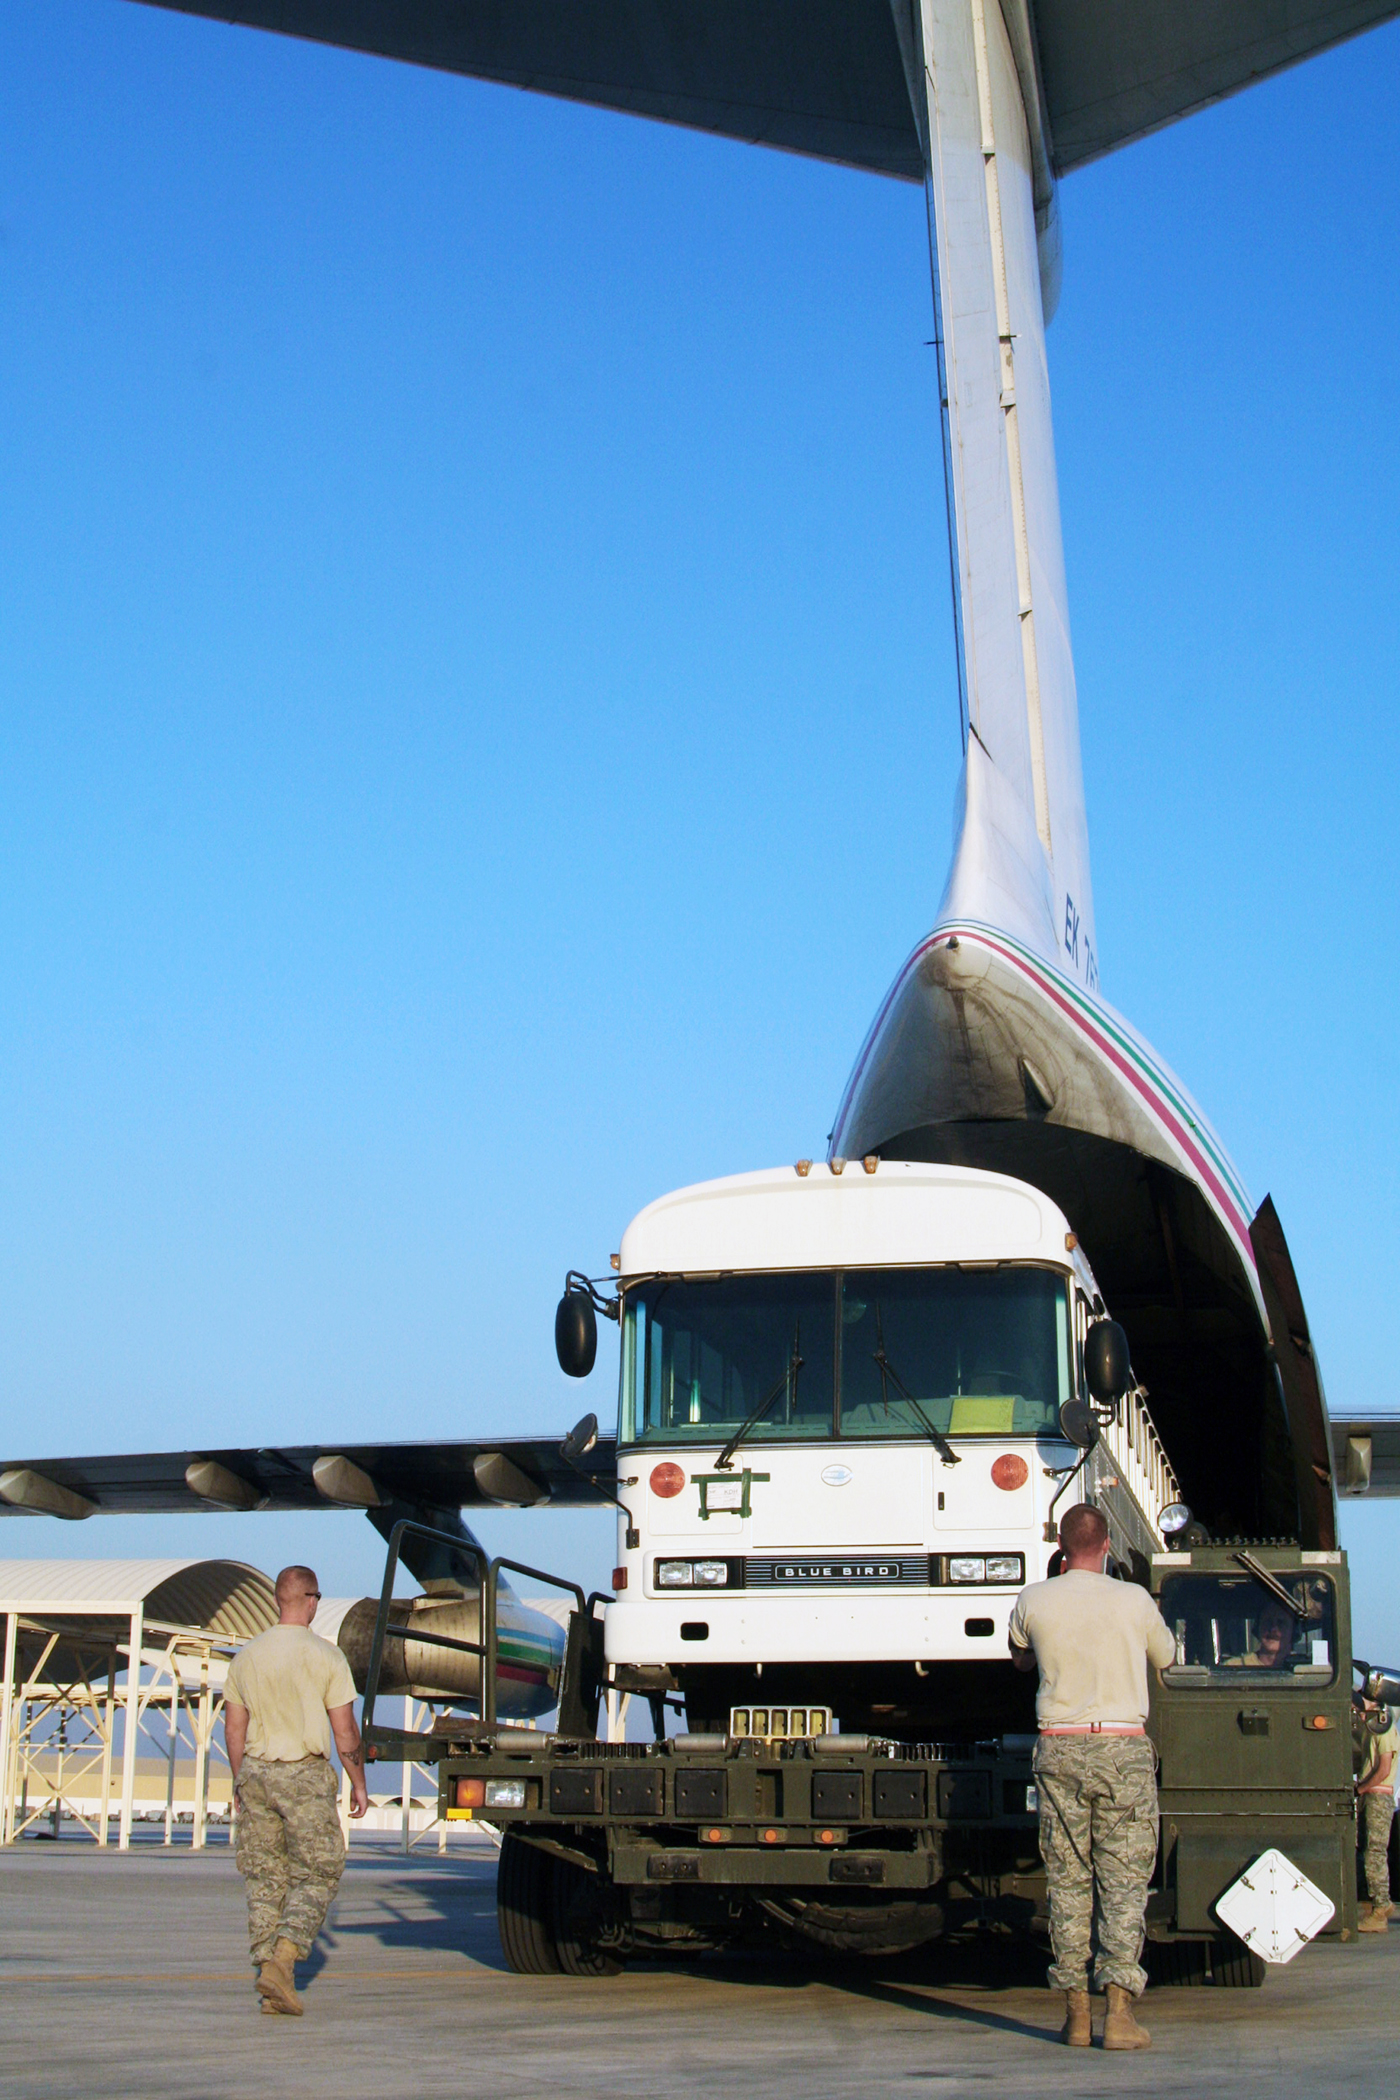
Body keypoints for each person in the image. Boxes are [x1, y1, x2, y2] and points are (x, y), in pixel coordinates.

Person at [1009, 1503, 1175, 2052]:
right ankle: (1119, 2016)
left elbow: (1019, 1659)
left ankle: (1076, 2014)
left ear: (1062, 1544)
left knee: (1068, 1881)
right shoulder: (1134, 1600)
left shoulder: (1034, 1597)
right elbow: (1167, 1657)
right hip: (1123, 1748)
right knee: (1124, 1885)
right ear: (1105, 1545)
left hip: (1059, 1748)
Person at [223, 1564, 369, 2015]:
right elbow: (344, 1732)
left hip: (257, 1773)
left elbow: (233, 1728)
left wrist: (240, 1780)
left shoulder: (246, 1657)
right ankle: (284, 1959)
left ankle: (271, 1980)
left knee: (266, 1881)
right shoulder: (326, 1657)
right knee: (320, 1871)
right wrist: (358, 1782)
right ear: (309, 1599)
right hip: (302, 1775)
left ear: (275, 1600)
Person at [1354, 1696, 1398, 1932]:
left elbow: (1384, 1768)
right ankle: (1381, 1903)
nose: (1358, 1714)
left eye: (1359, 1708)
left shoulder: (1383, 1727)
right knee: (1368, 1850)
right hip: (1370, 1795)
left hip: (1378, 1796)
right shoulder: (1370, 1729)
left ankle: (1380, 1909)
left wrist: (1359, 1789)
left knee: (1374, 1853)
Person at [1222, 1600, 1296, 1669]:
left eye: (1281, 1622)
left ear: (1294, 1630)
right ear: (1258, 1627)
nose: (1273, 1629)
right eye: (1268, 1621)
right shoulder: (1233, 1667)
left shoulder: (1303, 1669)